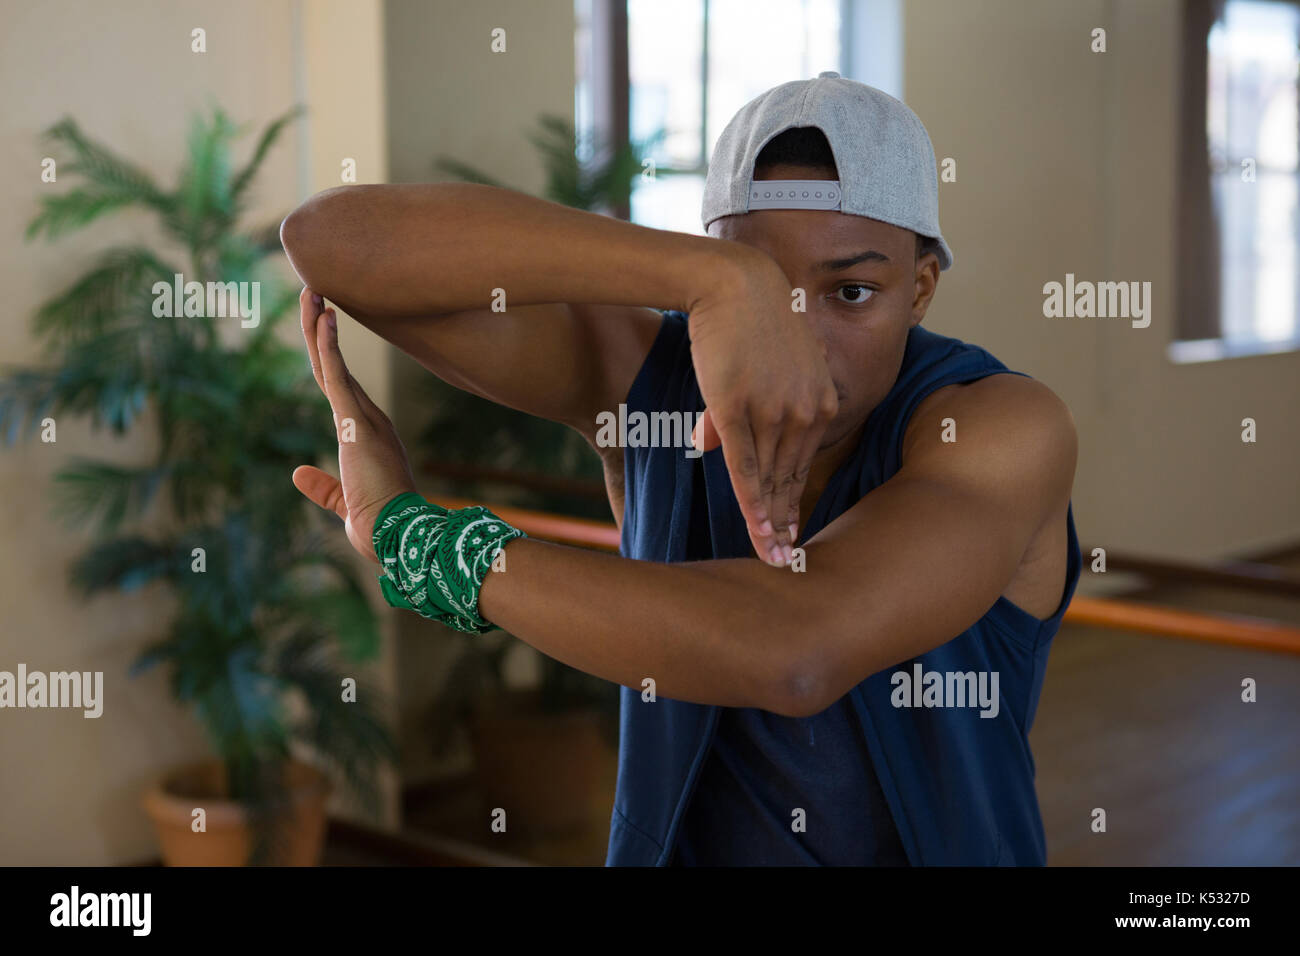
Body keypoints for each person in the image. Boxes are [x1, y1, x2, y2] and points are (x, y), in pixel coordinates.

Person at [279, 73, 1081, 866]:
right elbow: (330, 241)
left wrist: (416, 542)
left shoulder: (998, 425)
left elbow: (796, 650)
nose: (796, 341)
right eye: (764, 293)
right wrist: (709, 279)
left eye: (850, 292)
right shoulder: (646, 379)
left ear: (921, 288)